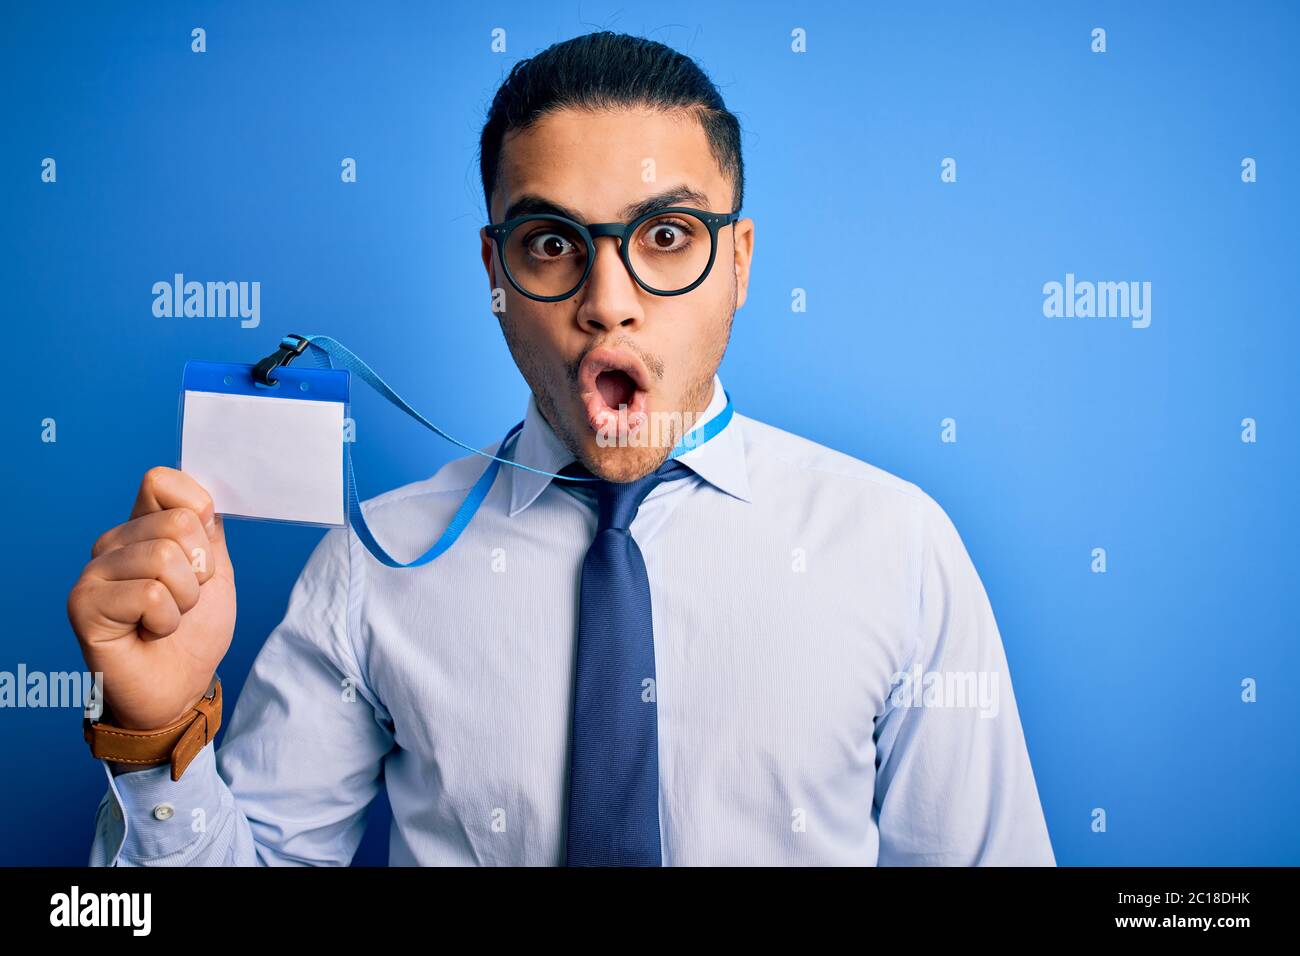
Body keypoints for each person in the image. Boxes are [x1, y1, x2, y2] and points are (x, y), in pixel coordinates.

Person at [68, 30, 1055, 866]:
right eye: (550, 243)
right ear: (495, 270)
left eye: (667, 235)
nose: (608, 301)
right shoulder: (370, 568)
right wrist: (159, 737)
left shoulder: (896, 548)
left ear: (740, 263)